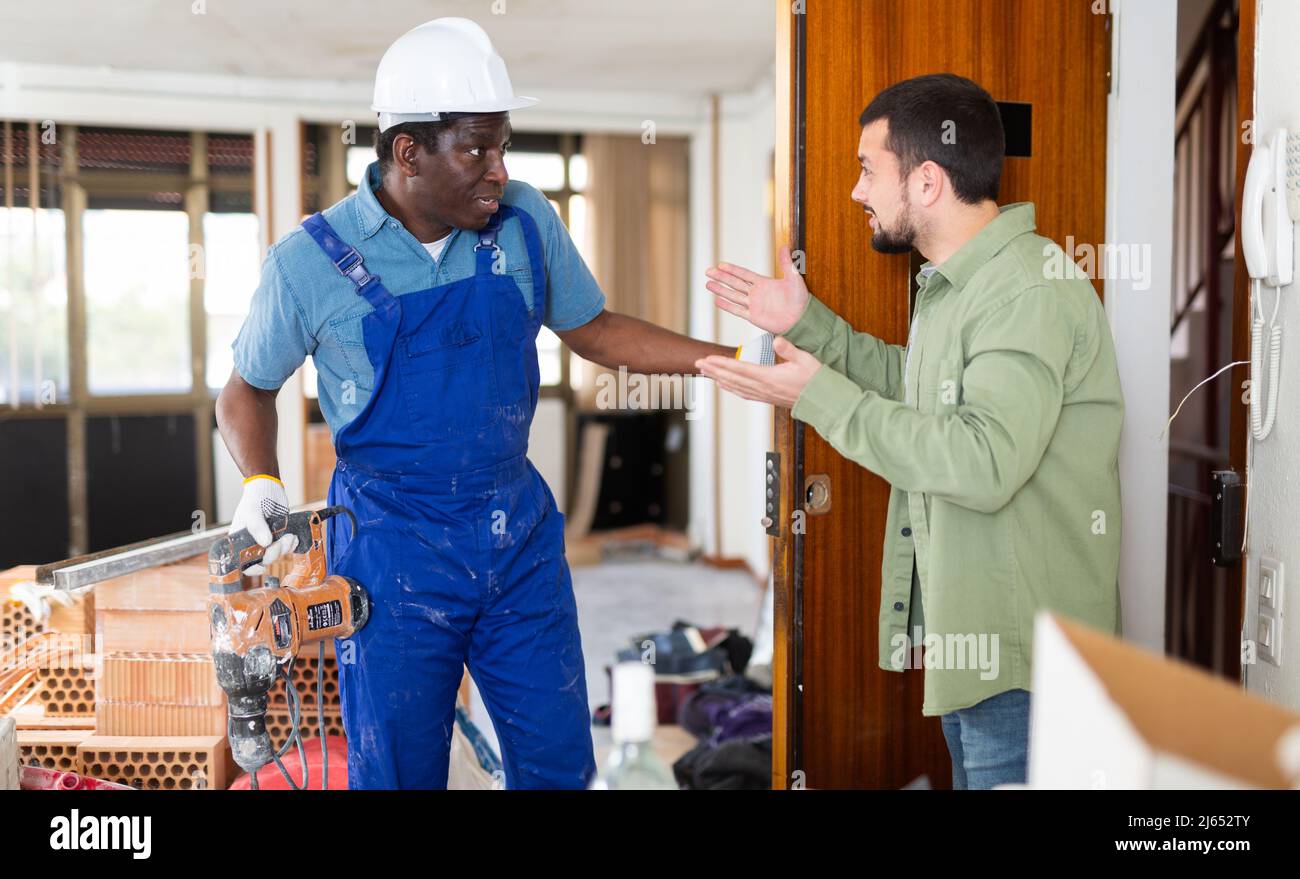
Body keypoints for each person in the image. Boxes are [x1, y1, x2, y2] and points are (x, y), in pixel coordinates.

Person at [215, 17, 734, 789]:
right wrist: (261, 479)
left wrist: (728, 362)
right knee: (397, 770)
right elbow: (247, 388)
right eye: (476, 149)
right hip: (389, 550)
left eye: (503, 146)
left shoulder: (524, 221)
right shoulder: (312, 262)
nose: (498, 170)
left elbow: (592, 329)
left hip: (515, 538)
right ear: (407, 153)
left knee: (560, 761)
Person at [696, 73, 1123, 790]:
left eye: (869, 169)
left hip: (1024, 664)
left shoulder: (1027, 289)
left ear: (927, 181)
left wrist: (817, 397)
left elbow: (984, 461)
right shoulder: (956, 284)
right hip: (981, 654)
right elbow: (913, 387)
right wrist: (807, 327)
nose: (858, 191)